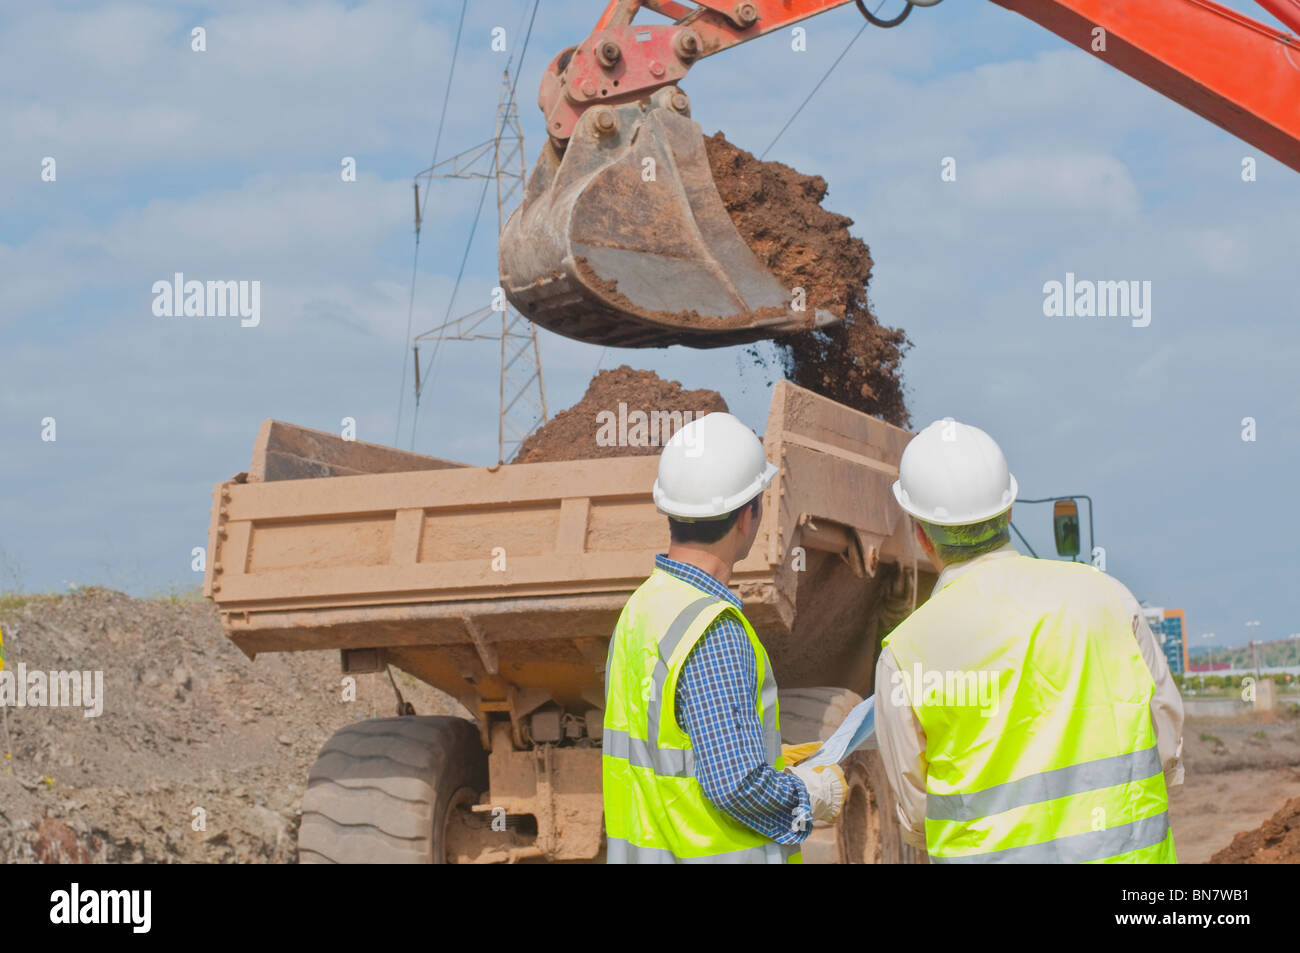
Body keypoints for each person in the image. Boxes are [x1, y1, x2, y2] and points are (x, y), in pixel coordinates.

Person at [876, 419, 1183, 864]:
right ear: (1010, 511)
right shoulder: (1109, 597)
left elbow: (917, 813)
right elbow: (1167, 744)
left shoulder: (905, 654)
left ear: (920, 533)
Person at [602, 412, 844, 863]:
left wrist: (761, 753)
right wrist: (808, 795)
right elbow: (736, 784)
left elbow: (670, 753)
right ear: (747, 517)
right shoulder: (713, 629)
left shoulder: (643, 607)